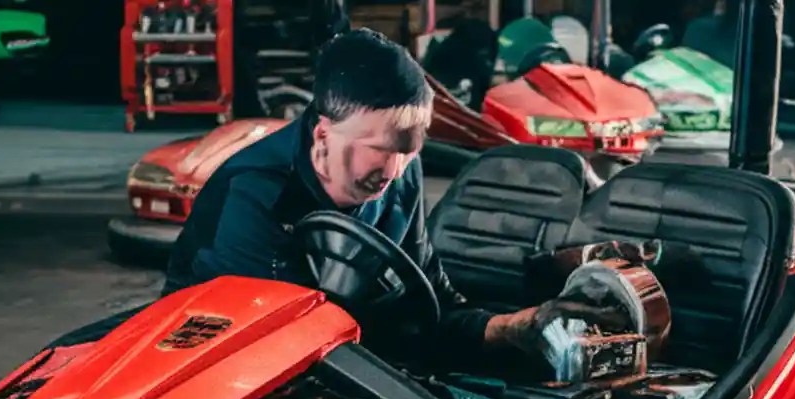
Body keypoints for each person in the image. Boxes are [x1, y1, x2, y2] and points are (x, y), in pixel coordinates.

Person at [47, 29, 626, 366]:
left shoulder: (398, 178)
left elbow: (434, 308)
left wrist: (518, 327)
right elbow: (248, 355)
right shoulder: (253, 195)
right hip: (218, 363)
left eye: (410, 149)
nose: (396, 168)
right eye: (380, 149)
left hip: (349, 349)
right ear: (324, 133)